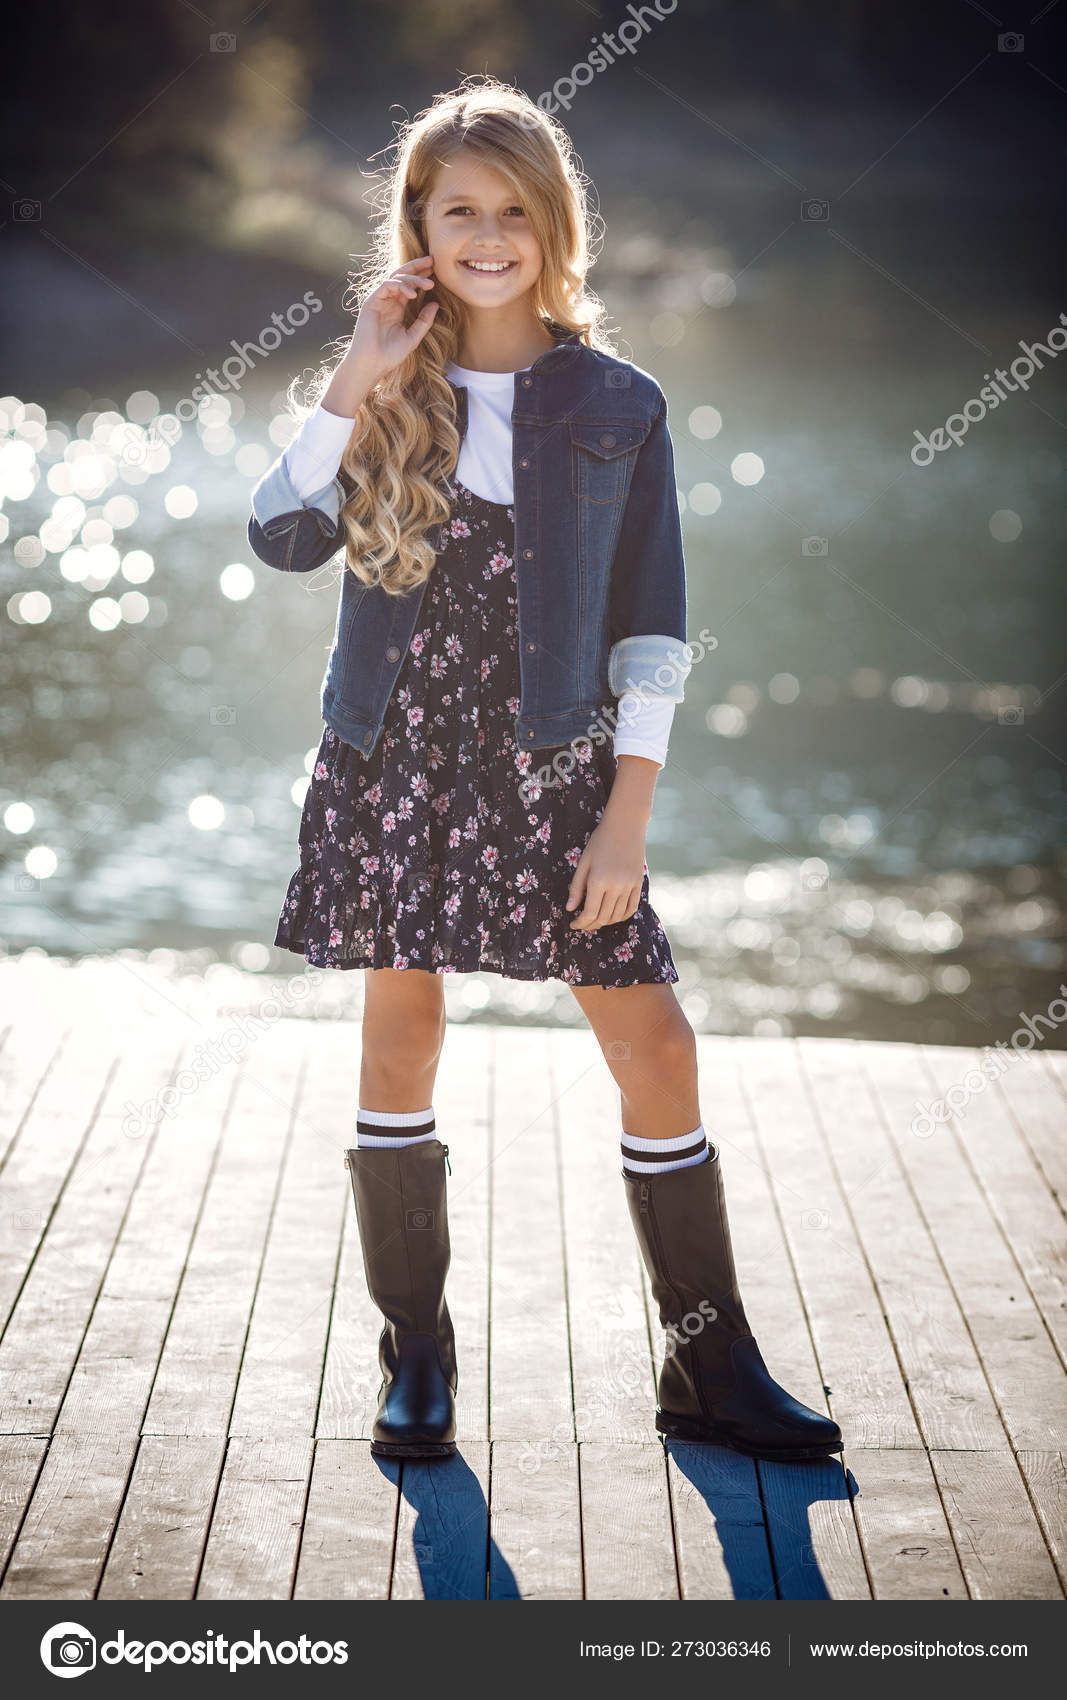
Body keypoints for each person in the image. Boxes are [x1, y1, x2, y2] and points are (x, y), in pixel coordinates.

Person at [247, 77, 842, 1467]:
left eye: (515, 209)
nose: (490, 233)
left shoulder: (618, 402)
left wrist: (627, 811)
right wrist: (356, 364)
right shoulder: (387, 386)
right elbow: (278, 538)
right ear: (420, 227)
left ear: (554, 222)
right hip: (397, 755)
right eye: (461, 210)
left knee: (656, 1042)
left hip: (559, 771)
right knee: (402, 1034)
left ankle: (711, 1365)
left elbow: (653, 626)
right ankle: (417, 1362)